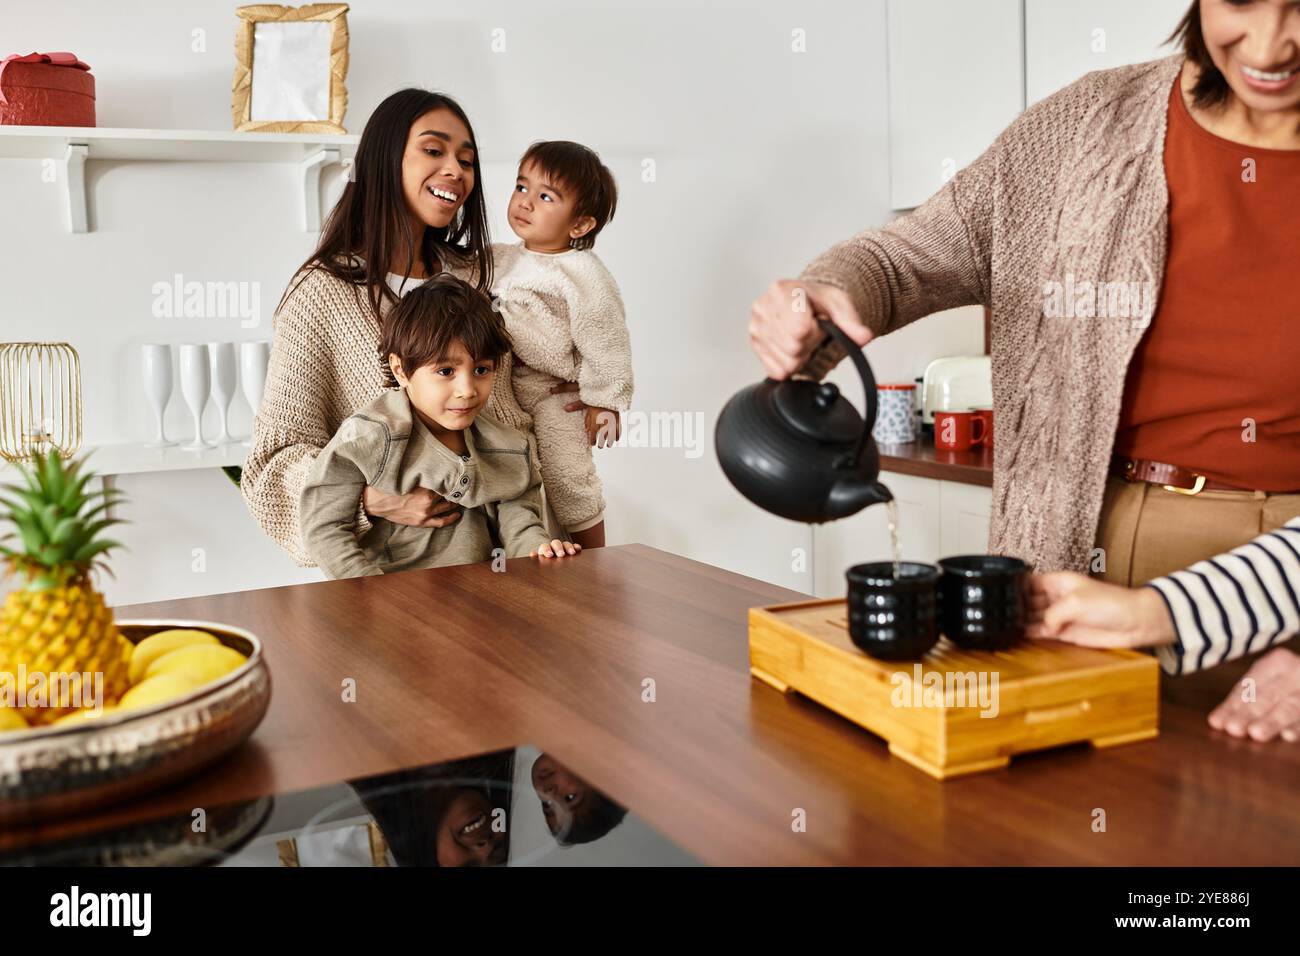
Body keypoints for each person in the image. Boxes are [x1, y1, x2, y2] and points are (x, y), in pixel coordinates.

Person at [746, 0, 1298, 732]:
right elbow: (904, 257)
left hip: (1281, 576)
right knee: (1068, 823)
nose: (1269, 43)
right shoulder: (1086, 125)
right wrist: (826, 294)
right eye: (1241, 2)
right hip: (1075, 555)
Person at [242, 89, 593, 566]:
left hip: (522, 555)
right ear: (385, 161)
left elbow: (522, 386)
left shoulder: (487, 275)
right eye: (434, 150)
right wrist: (371, 499)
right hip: (399, 582)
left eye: (466, 160)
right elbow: (271, 464)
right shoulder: (321, 295)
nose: (456, 170)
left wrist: (580, 385)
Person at [299, 276, 579, 578]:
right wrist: (368, 591)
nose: (467, 389)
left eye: (481, 370)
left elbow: (520, 522)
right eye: (446, 371)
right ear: (401, 370)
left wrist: (538, 550)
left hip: (481, 602)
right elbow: (324, 527)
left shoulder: (510, 446)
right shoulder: (368, 436)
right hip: (392, 607)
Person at [491, 140, 633, 550]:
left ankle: (595, 554)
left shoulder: (583, 273)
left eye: (545, 196)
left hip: (556, 394)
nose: (526, 202)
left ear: (580, 225)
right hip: (504, 390)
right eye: (521, 187)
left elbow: (606, 338)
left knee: (567, 475)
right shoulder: (500, 257)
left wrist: (603, 400)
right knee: (514, 476)